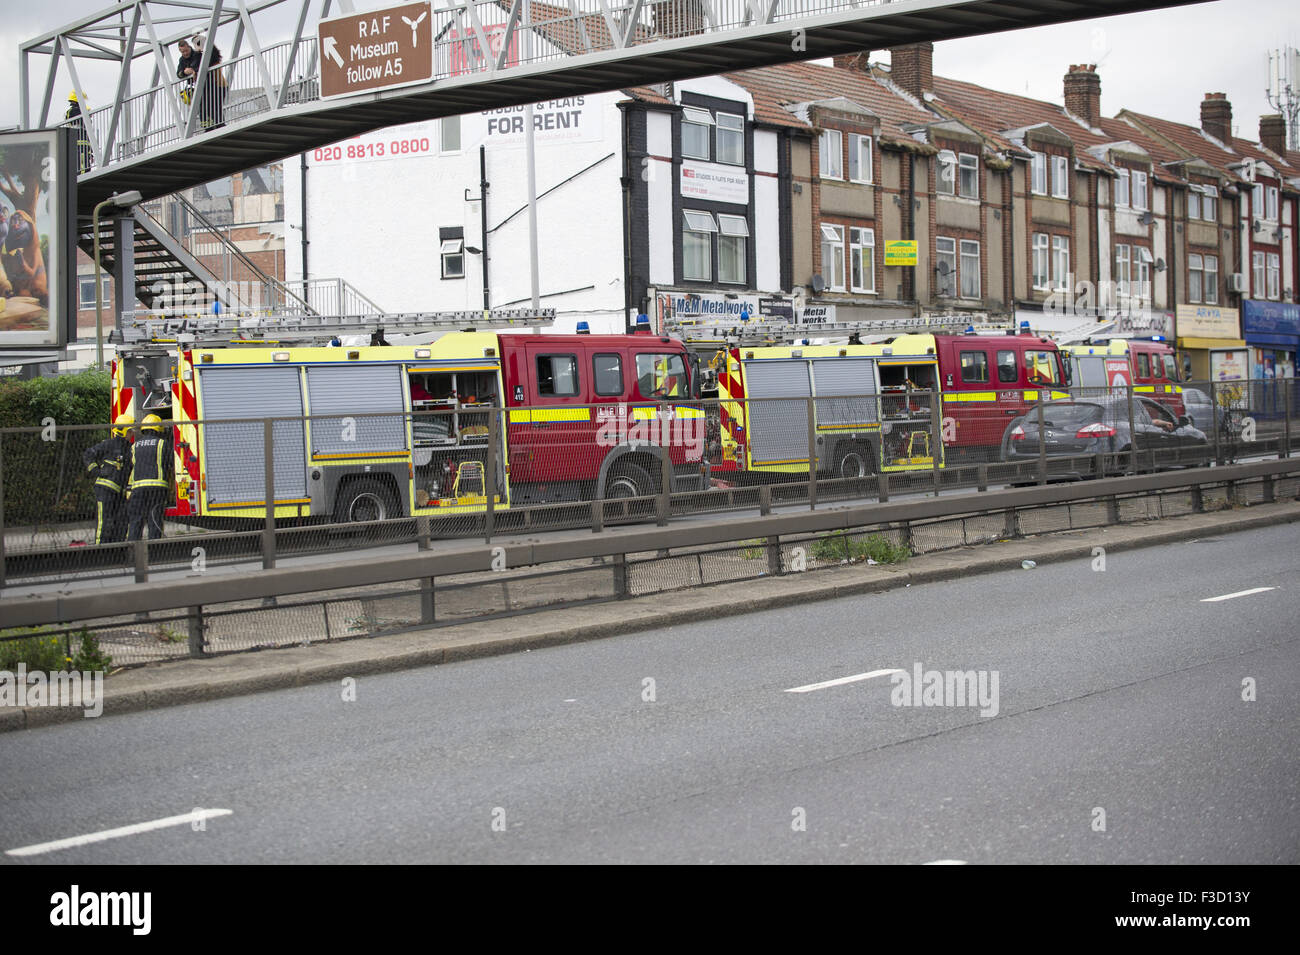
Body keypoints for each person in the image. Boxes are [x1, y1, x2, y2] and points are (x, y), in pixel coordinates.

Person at [83, 414, 133, 545]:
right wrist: (96, 471)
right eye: (129, 431)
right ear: (122, 431)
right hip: (104, 490)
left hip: (119, 493)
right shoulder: (109, 444)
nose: (132, 433)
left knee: (121, 524)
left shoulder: (129, 448)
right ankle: (100, 551)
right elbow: (88, 454)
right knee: (104, 522)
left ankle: (117, 549)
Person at [126, 414, 173, 542]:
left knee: (136, 520)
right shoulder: (163, 443)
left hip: (138, 489)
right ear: (158, 429)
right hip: (157, 488)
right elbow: (171, 463)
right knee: (154, 519)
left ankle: (133, 549)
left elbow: (129, 467)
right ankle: (155, 548)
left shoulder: (134, 446)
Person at [65, 91, 92, 173]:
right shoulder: (72, 111)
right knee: (81, 165)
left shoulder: (77, 111)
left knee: (84, 163)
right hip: (77, 142)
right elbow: (85, 121)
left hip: (83, 142)